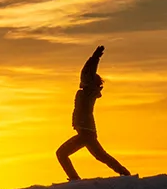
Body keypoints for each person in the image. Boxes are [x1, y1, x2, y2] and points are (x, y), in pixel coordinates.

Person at [56, 45, 133, 181]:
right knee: (101, 156)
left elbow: (87, 72)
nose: (83, 79)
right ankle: (125, 174)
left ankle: (74, 179)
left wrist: (95, 57)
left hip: (86, 132)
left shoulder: (89, 91)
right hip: (86, 132)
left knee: (61, 154)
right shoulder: (88, 92)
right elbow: (86, 73)